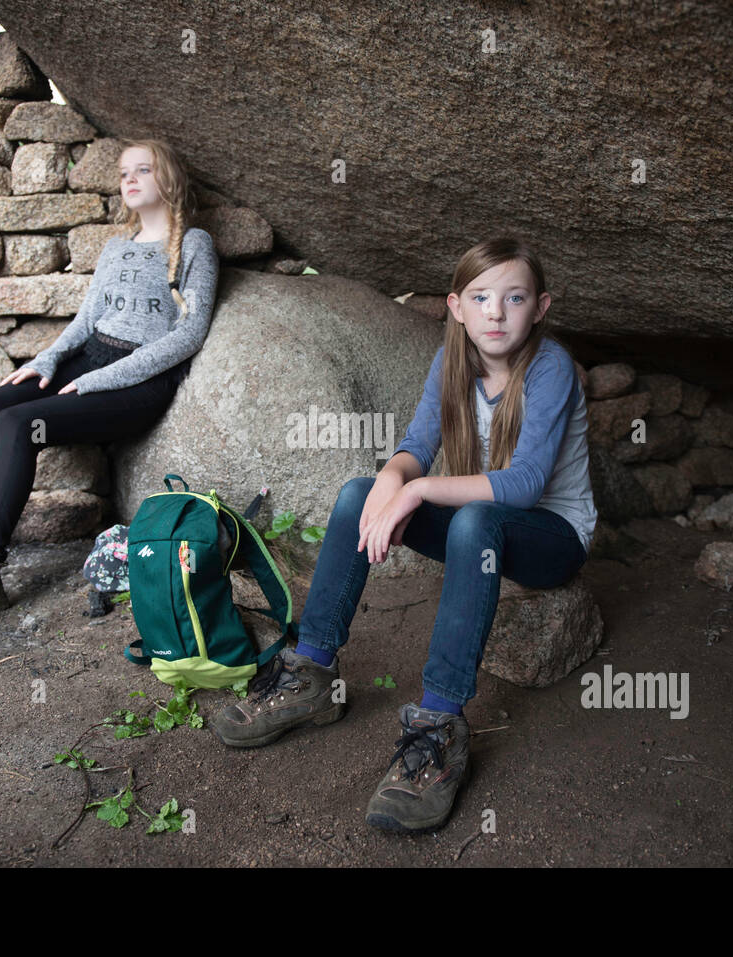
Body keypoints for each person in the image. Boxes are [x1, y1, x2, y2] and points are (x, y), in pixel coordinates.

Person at [209, 236, 597, 834]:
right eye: (481, 297)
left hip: (551, 541)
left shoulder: (551, 367)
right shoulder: (452, 363)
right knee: (358, 493)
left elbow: (523, 484)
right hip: (485, 532)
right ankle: (309, 671)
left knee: (472, 517)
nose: (496, 312)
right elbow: (415, 449)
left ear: (540, 308)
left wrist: (416, 493)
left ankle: (437, 725)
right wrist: (394, 480)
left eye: (514, 298)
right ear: (455, 307)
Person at [0, 139, 218, 632]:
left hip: (137, 382)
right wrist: (50, 359)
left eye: (144, 169)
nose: (131, 179)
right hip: (88, 358)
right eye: (125, 172)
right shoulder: (116, 247)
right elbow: (86, 319)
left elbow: (190, 331)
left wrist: (103, 379)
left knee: (20, 422)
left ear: (170, 180)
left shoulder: (193, 244)